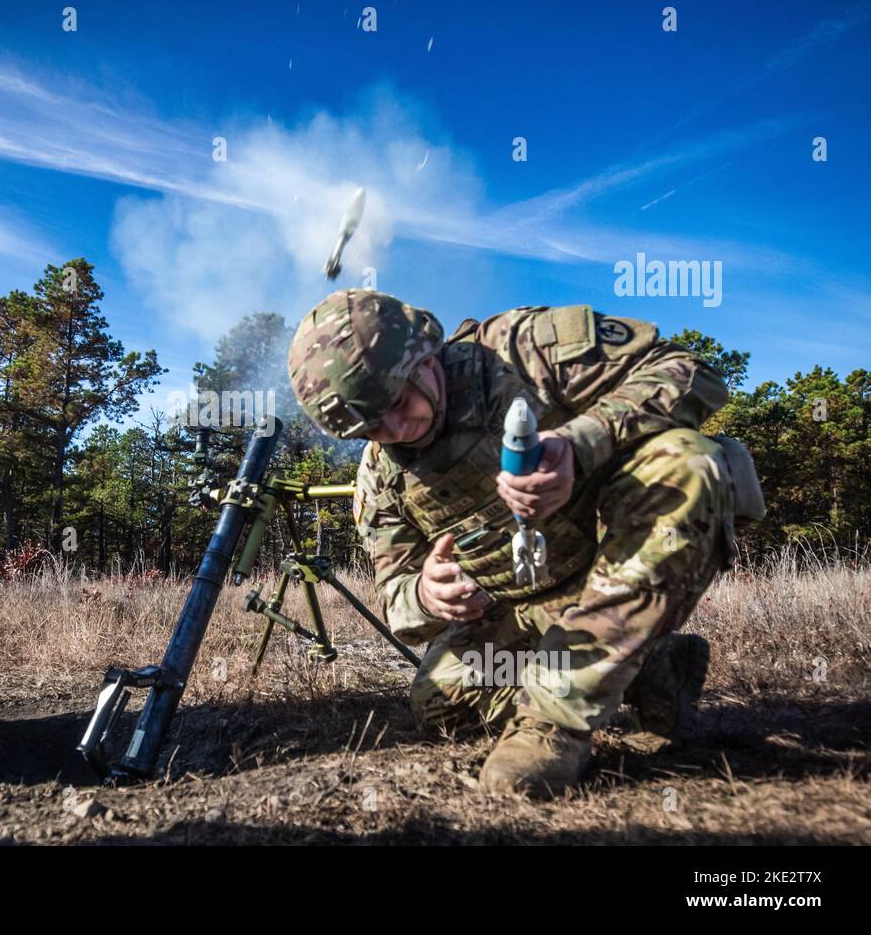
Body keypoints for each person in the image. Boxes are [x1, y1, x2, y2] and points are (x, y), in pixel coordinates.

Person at [287, 288, 762, 797]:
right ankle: (650, 668)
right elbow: (396, 599)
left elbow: (691, 372)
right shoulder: (382, 477)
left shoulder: (523, 350)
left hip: (613, 558)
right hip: (523, 605)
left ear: (424, 356)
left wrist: (582, 442)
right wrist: (427, 594)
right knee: (441, 704)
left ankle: (554, 722)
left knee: (685, 463)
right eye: (372, 426)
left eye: (400, 402)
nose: (399, 429)